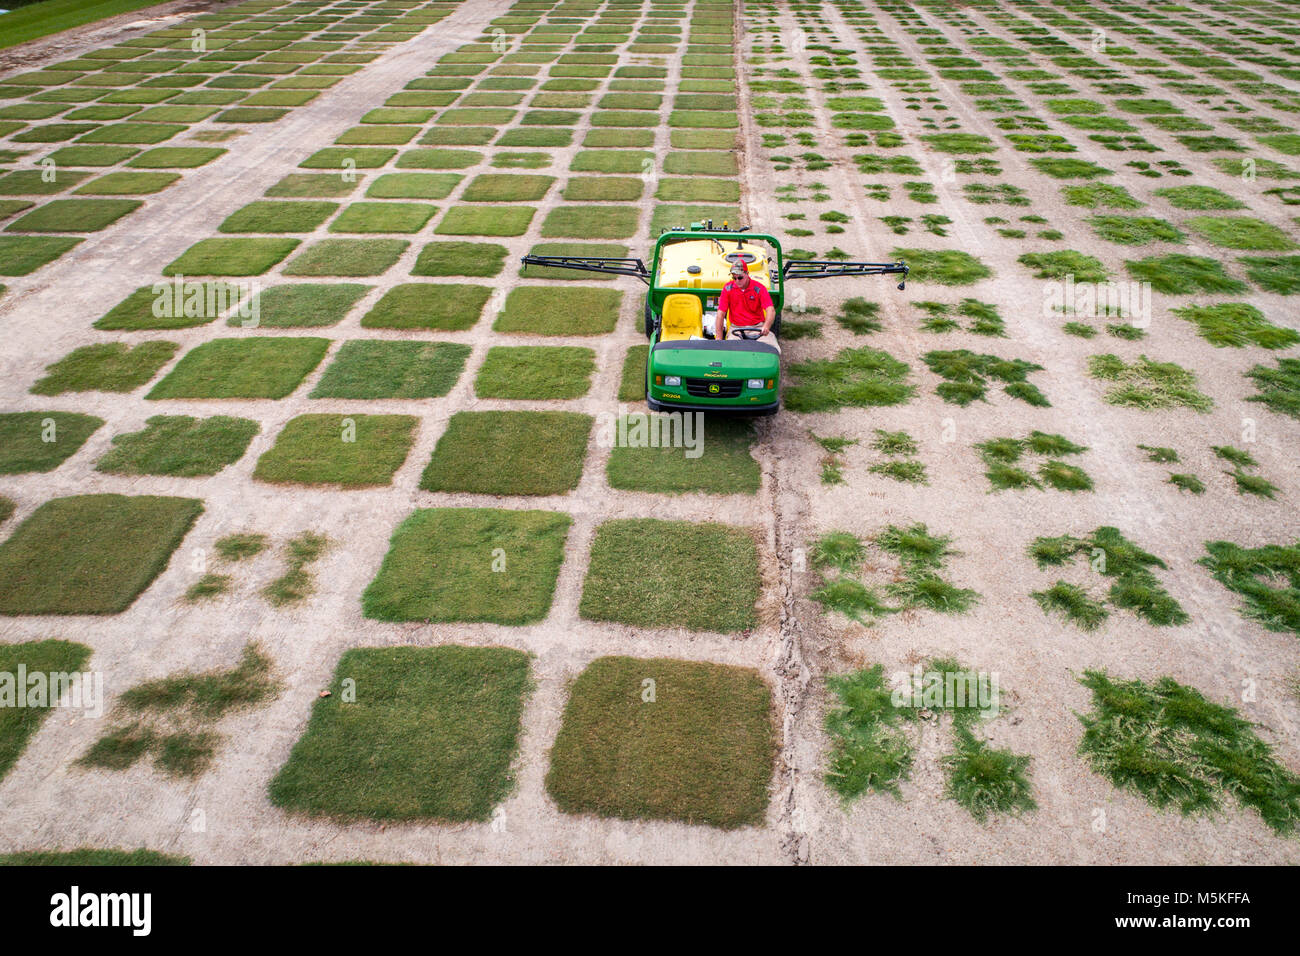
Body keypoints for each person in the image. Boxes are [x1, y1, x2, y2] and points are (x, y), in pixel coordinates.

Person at [716, 261, 776, 346]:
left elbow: (771, 310)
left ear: (747, 274)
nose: (737, 281)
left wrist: (766, 326)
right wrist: (719, 338)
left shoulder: (759, 288)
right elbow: (720, 314)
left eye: (740, 278)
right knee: (731, 351)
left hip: (757, 327)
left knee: (772, 348)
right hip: (736, 329)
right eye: (734, 278)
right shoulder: (727, 289)